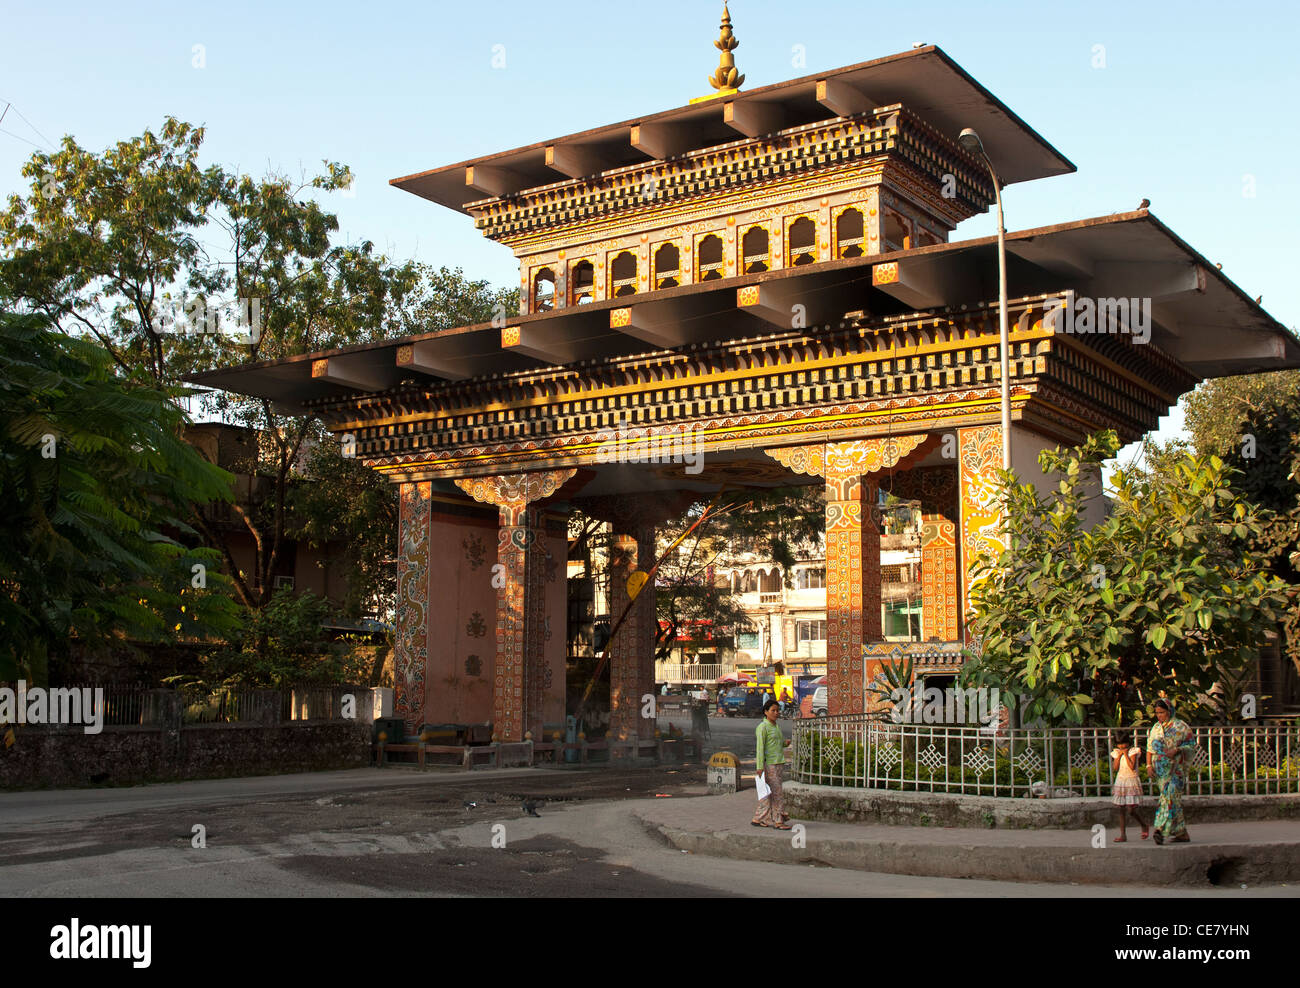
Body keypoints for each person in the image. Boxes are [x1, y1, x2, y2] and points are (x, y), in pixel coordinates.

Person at [1146, 699, 1195, 845]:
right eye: (1157, 713)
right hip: (1160, 770)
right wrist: (1149, 766)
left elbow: (1191, 746)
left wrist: (1177, 750)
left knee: (1169, 798)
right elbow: (1150, 748)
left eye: (1161, 712)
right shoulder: (1155, 728)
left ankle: (1160, 829)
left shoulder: (1181, 727)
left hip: (1176, 769)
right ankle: (1181, 833)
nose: (1159, 715)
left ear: (1169, 711)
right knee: (1171, 800)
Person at [751, 700, 790, 829]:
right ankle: (778, 820)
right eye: (773, 710)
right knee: (777, 793)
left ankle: (759, 818)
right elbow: (760, 748)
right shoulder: (763, 727)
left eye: (777, 710)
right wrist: (759, 767)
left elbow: (777, 743)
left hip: (778, 762)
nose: (776, 713)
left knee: (769, 793)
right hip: (770, 765)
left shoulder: (776, 726)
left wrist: (785, 743)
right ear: (766, 712)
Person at [1109, 730, 1148, 842]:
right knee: (1121, 809)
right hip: (1121, 780)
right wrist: (1119, 756)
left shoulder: (1133, 751)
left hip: (1131, 780)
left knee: (1131, 809)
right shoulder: (1116, 752)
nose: (1122, 746)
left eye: (1124, 744)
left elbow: (1131, 766)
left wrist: (1125, 754)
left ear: (1128, 742)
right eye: (1119, 744)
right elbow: (1115, 768)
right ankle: (1123, 834)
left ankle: (1143, 824)